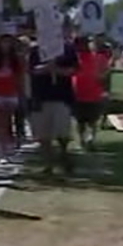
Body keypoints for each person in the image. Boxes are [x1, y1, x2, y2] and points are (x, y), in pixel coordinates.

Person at [28, 37, 79, 175]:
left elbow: (74, 70)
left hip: (62, 97)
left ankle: (64, 157)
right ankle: (48, 164)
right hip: (41, 97)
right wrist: (46, 68)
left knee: (62, 133)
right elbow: (32, 70)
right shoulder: (36, 49)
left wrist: (57, 69)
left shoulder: (67, 49)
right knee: (43, 136)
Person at [0, 34, 26, 163]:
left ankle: (9, 147)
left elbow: (20, 77)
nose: (6, 45)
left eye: (8, 43)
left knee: (8, 122)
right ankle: (1, 151)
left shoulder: (16, 60)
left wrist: (21, 93)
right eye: (3, 42)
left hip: (11, 94)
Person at [72, 35, 111, 149]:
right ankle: (82, 140)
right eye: (80, 44)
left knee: (93, 120)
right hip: (78, 94)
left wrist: (100, 77)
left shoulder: (98, 57)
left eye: (85, 43)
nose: (83, 46)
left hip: (94, 94)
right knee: (80, 121)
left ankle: (92, 139)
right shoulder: (74, 57)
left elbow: (106, 71)